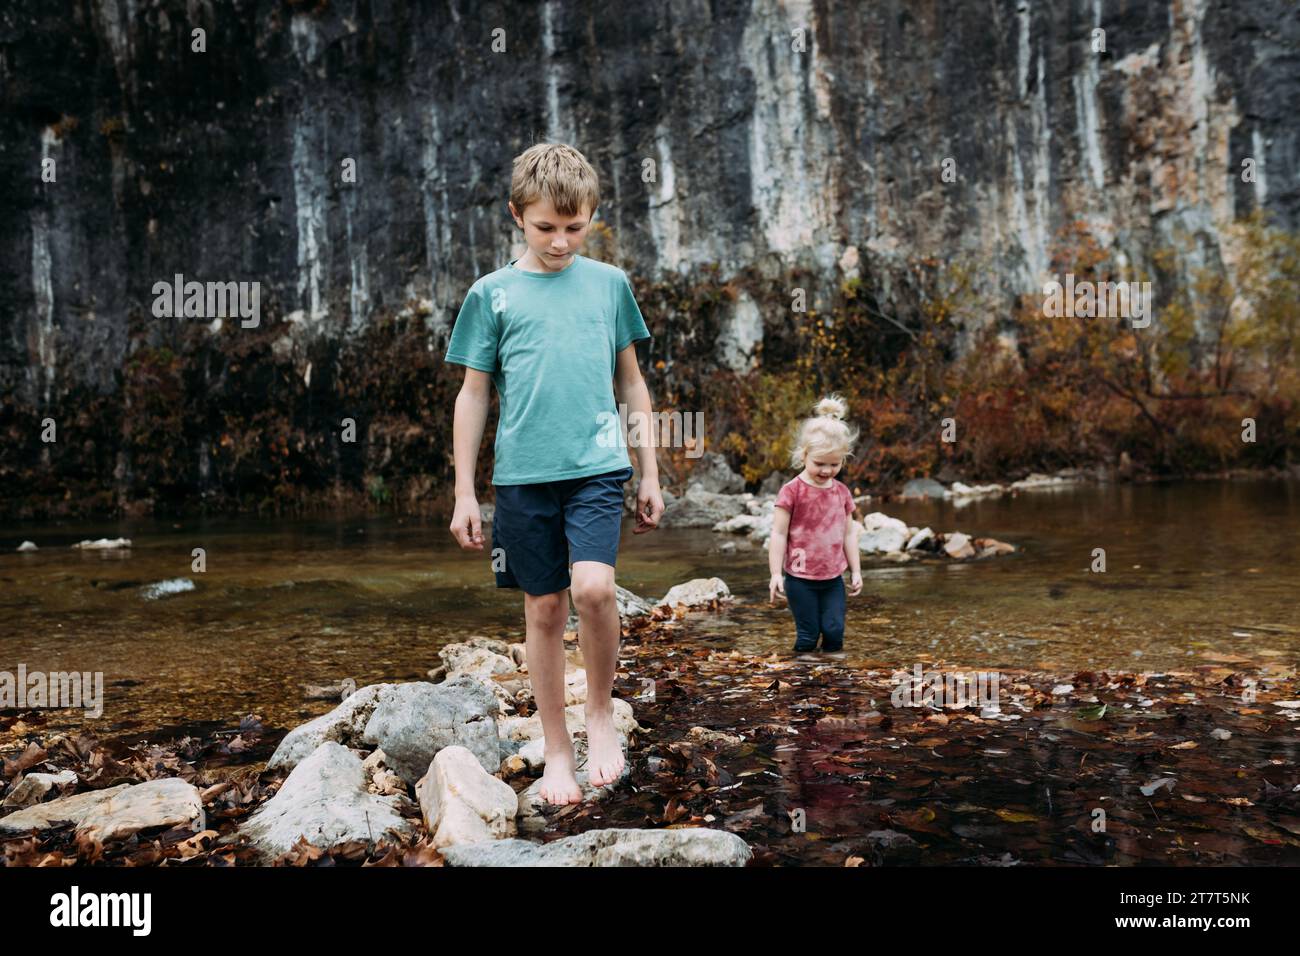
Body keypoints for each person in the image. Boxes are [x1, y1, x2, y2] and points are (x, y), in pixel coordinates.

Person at [444, 143, 665, 805]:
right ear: (517, 216)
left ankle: (600, 717)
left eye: (575, 227)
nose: (561, 241)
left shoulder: (609, 285)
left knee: (594, 590)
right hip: (521, 479)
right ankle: (557, 752)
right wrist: (464, 493)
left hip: (598, 468)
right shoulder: (492, 296)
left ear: (592, 217)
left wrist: (650, 471)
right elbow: (473, 394)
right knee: (542, 608)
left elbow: (632, 382)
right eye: (546, 228)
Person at [768, 395, 863, 654]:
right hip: (800, 579)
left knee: (834, 633)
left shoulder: (842, 492)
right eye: (819, 464)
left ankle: (833, 683)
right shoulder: (792, 491)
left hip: (833, 577)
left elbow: (849, 534)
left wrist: (855, 570)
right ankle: (802, 684)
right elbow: (778, 534)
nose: (826, 470)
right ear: (804, 454)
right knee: (808, 635)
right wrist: (776, 573)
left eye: (835, 464)